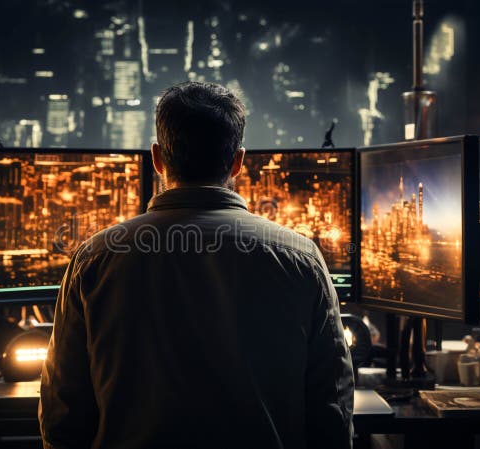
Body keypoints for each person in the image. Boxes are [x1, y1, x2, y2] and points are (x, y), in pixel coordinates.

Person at [40, 81, 354, 449]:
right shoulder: (302, 258)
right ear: (237, 162)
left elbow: (63, 413)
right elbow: (331, 411)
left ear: (157, 158)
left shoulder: (94, 258)